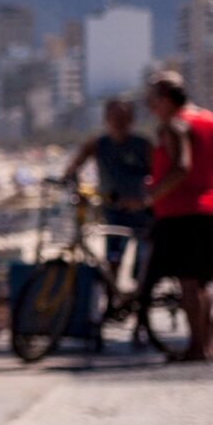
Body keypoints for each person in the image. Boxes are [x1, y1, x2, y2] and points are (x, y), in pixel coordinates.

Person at [142, 71, 213, 363]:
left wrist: (151, 195)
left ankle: (195, 348)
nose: (149, 106)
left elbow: (181, 167)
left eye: (151, 99)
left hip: (181, 212)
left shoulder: (175, 126)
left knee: (188, 283)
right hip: (210, 207)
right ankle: (207, 344)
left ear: (165, 98)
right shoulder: (210, 120)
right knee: (202, 282)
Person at [63, 97, 154, 299]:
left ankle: (142, 303)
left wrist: (145, 199)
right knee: (112, 258)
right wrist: (70, 182)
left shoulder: (143, 144)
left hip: (142, 213)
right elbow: (73, 167)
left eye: (123, 117)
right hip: (113, 211)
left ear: (131, 119)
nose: (119, 122)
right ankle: (113, 302)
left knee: (143, 263)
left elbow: (159, 174)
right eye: (114, 117)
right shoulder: (98, 144)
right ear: (106, 119)